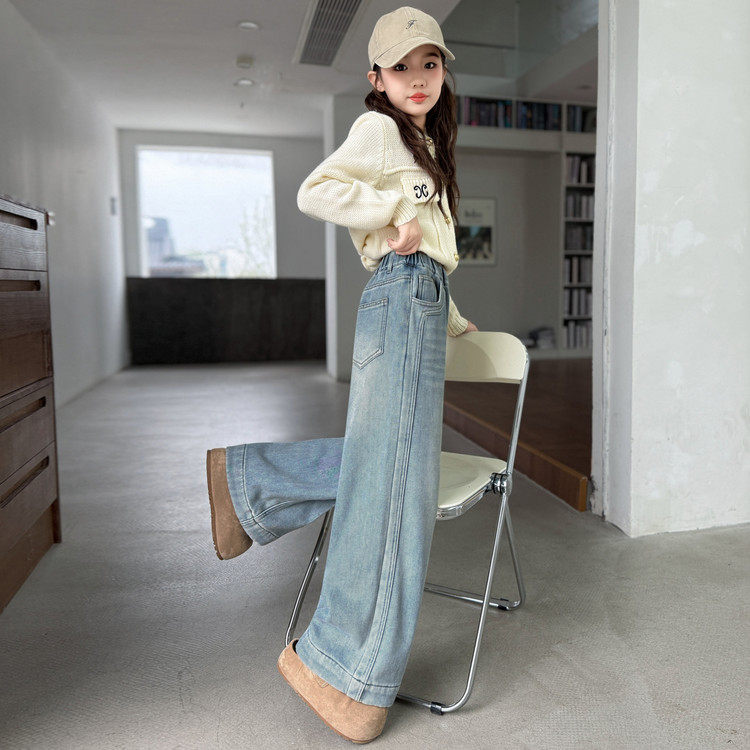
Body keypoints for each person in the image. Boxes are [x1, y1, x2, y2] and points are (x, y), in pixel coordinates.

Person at [205, 6, 478, 744]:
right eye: (401, 67)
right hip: (401, 299)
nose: (418, 78)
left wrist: (454, 320)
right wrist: (392, 211)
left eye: (429, 64)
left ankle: (249, 480)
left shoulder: (424, 143)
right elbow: (316, 190)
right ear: (376, 78)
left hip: (419, 302)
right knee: (399, 488)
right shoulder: (379, 131)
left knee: (390, 469)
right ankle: (342, 671)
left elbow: (432, 247)